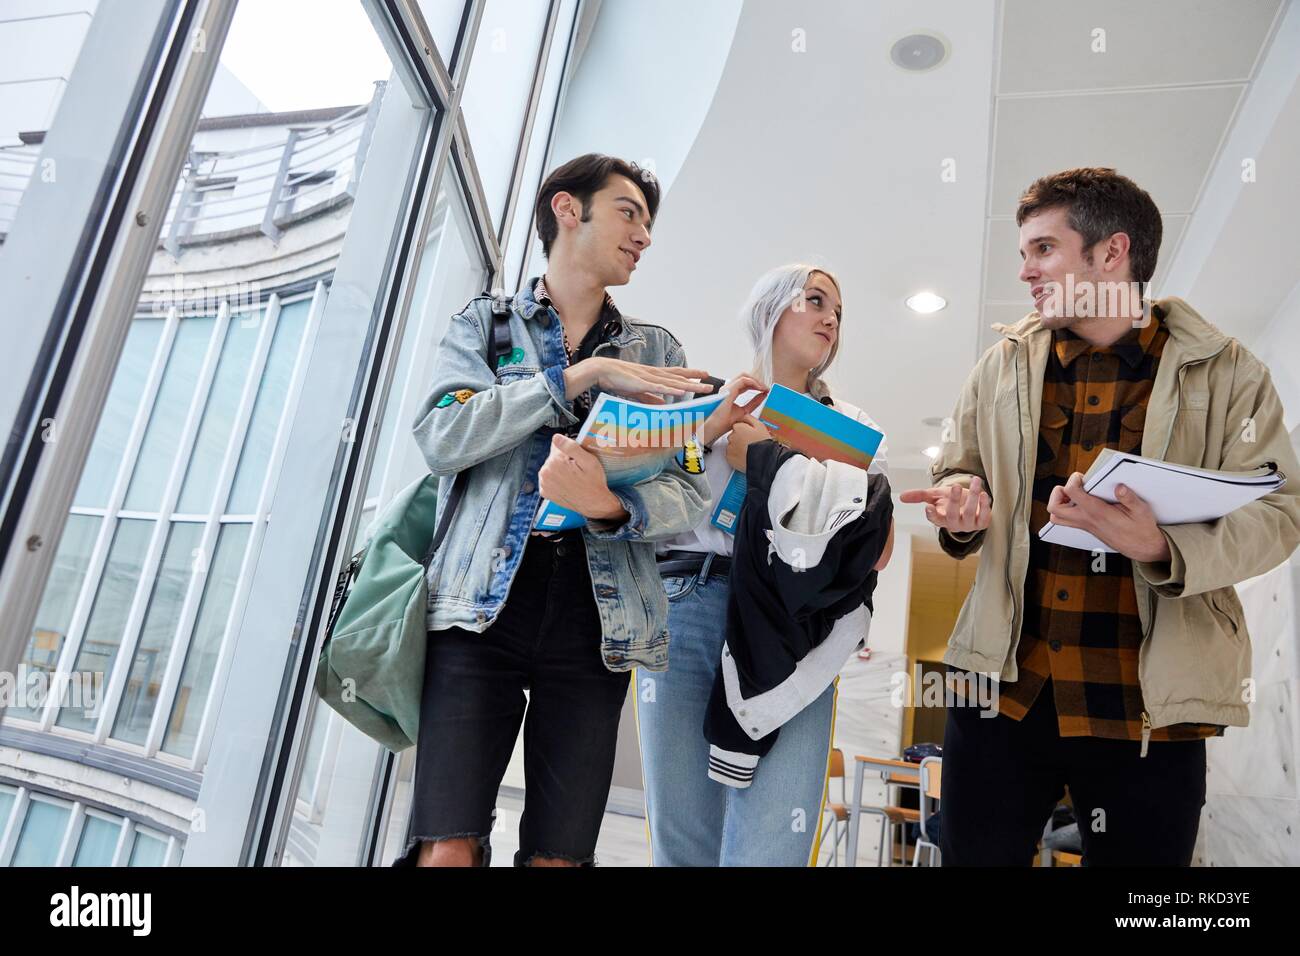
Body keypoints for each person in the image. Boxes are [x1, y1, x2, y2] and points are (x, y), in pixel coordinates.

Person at [901, 167, 1300, 866]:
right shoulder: (999, 366)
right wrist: (961, 504)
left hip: (1148, 707)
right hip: (999, 687)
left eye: (1043, 249)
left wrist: (1164, 547)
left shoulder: (1230, 372)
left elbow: (1282, 507)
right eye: (1024, 252)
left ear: (1111, 253)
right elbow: (959, 469)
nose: (1024, 271)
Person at [395, 154, 715, 867]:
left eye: (648, 223)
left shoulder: (658, 352)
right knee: (445, 851)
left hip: (596, 619)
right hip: (480, 610)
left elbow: (689, 492)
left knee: (558, 859)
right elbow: (443, 437)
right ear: (568, 209)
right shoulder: (486, 325)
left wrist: (607, 505)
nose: (645, 236)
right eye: (629, 213)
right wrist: (577, 377)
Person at [636, 264, 894, 866]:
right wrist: (703, 434)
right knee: (681, 833)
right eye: (814, 300)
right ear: (769, 309)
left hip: (795, 620)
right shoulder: (709, 401)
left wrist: (771, 461)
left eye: (838, 312)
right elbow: (653, 509)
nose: (831, 318)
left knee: (775, 838)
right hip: (685, 599)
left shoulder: (852, 428)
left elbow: (875, 551)